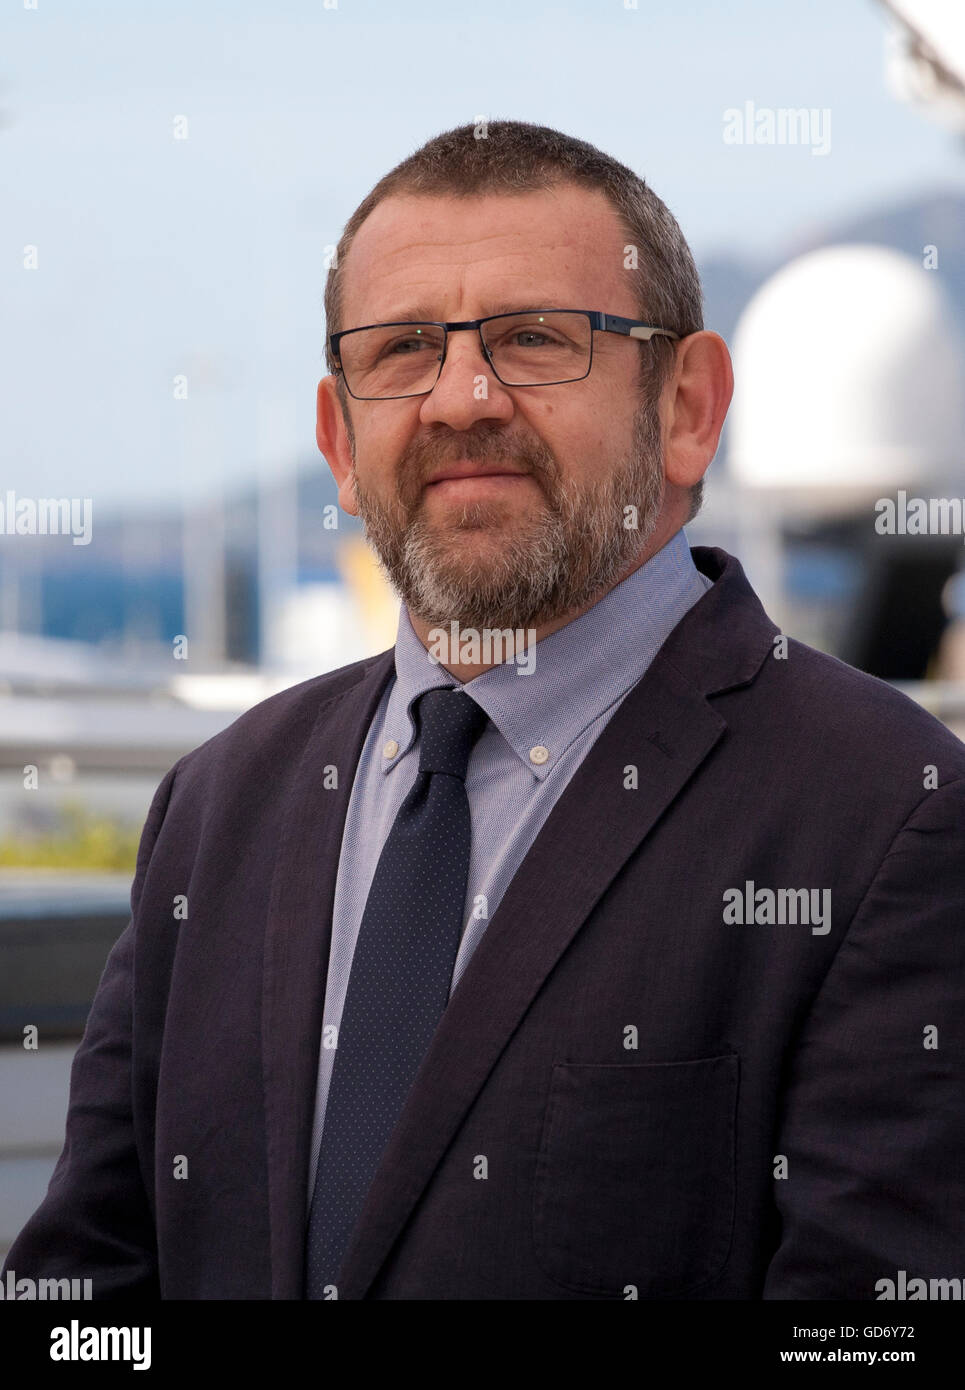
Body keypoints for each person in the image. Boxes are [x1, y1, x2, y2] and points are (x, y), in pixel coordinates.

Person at [5, 120, 964, 1301]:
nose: (463, 398)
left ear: (686, 408)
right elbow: (86, 1289)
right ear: (338, 441)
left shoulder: (882, 817)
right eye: (402, 348)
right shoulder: (219, 805)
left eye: (533, 339)